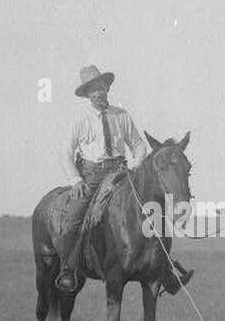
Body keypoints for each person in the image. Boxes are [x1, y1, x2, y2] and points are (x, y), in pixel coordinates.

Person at [55, 65, 193, 293]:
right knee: (74, 216)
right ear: (88, 95)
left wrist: (137, 164)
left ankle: (165, 269)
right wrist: (75, 180)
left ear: (107, 89)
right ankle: (69, 268)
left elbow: (138, 145)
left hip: (119, 173)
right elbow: (65, 153)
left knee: (150, 210)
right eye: (93, 91)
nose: (98, 94)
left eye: (101, 88)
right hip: (90, 176)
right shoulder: (80, 121)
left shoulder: (122, 116)